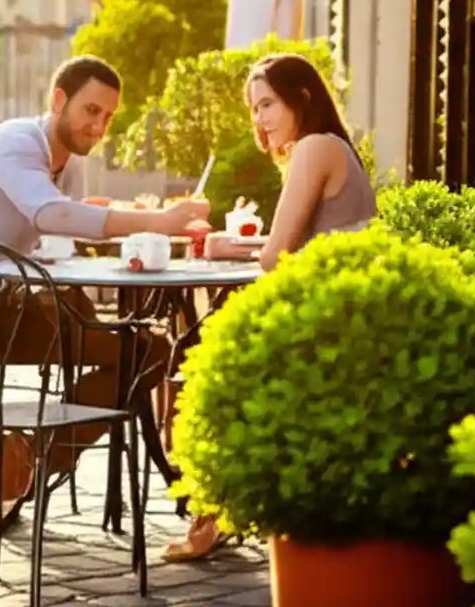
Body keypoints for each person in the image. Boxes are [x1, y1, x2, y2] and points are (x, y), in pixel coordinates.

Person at [0, 56, 211, 533]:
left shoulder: (68, 166)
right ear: (59, 100)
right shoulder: (13, 141)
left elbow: (60, 231)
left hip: (7, 302)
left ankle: (31, 455)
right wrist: (156, 222)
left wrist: (101, 223)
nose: (99, 126)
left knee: (147, 349)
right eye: (91, 111)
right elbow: (52, 215)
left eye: (108, 117)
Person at [161, 53, 377, 561]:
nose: (258, 120)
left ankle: (210, 511)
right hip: (339, 309)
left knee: (199, 367)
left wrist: (221, 246)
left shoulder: (314, 148)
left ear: (302, 98)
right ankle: (215, 509)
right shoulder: (330, 148)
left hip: (327, 318)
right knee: (194, 351)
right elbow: (289, 245)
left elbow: (277, 255)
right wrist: (227, 245)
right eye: (253, 108)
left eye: (266, 104)